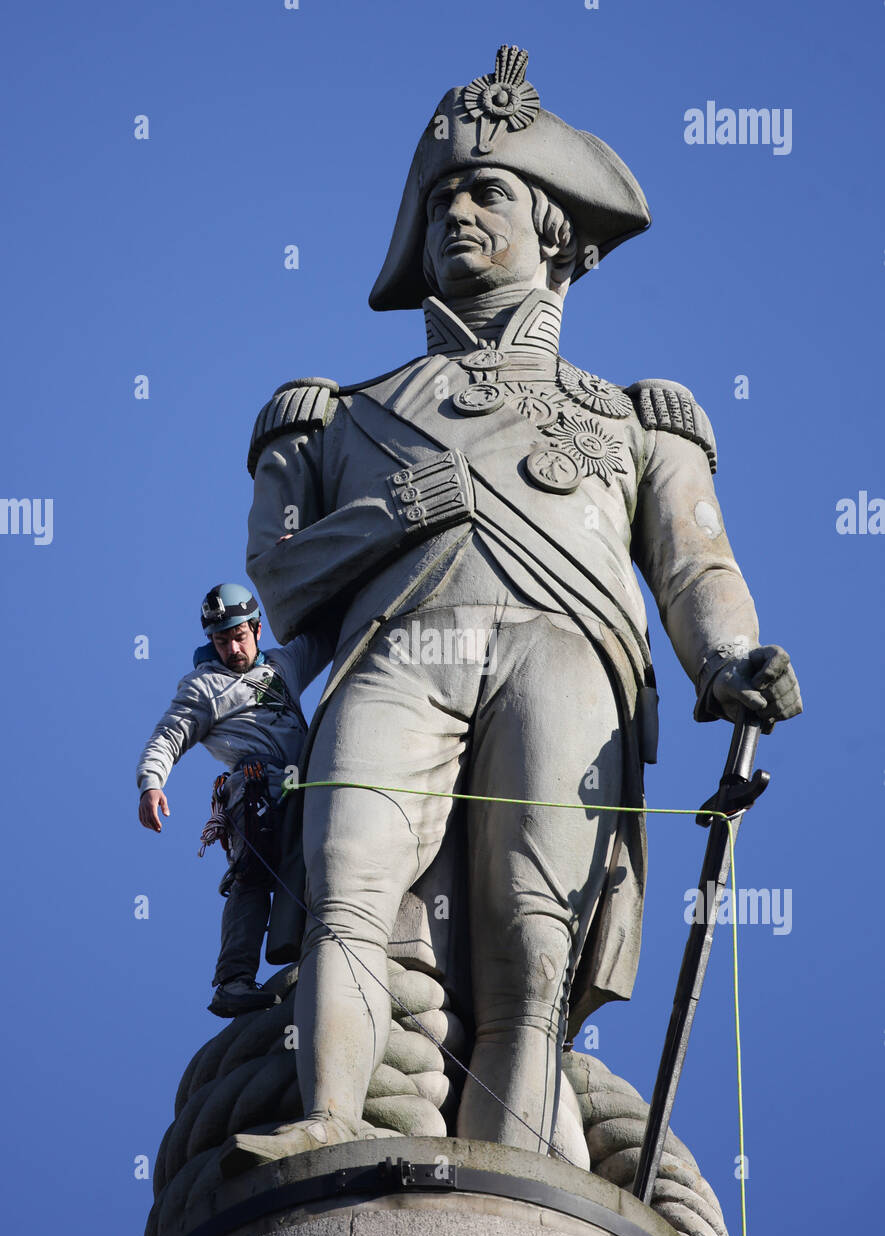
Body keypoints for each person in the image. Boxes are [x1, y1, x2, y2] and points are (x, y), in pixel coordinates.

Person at [221, 46, 801, 1172]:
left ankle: (522, 1179)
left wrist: (731, 661)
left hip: (565, 658)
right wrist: (393, 513)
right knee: (349, 878)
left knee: (531, 954)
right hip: (396, 656)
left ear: (554, 231)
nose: (458, 214)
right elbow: (282, 584)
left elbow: (694, 568)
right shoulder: (337, 416)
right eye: (441, 198)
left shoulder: (638, 419)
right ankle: (332, 1117)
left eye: (487, 192)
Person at [136, 582, 331, 1017]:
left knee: (320, 860)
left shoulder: (284, 663)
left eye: (238, 636)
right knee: (253, 874)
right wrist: (151, 783)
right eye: (220, 640)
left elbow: (328, 632)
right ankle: (232, 981)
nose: (231, 648)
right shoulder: (204, 687)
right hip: (256, 787)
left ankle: (307, 943)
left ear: (257, 629)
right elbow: (168, 736)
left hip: (304, 789)